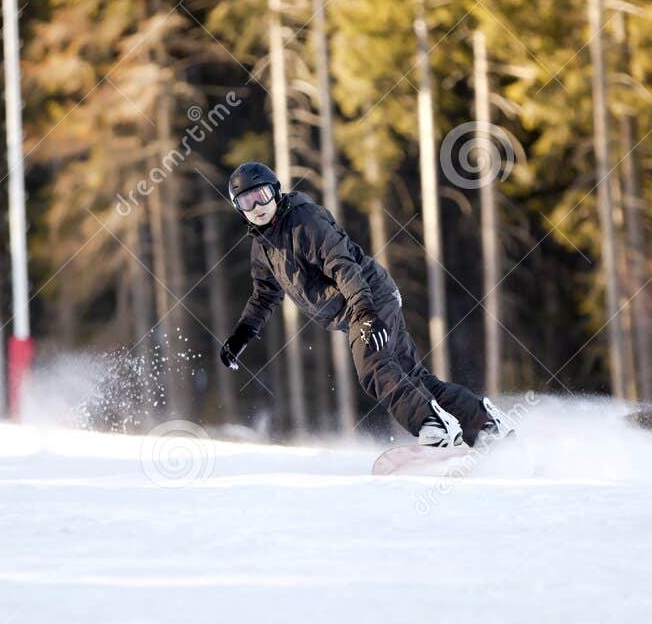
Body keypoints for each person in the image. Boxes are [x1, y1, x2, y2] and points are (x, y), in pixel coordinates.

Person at [216, 162, 512, 449]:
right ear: (238, 209)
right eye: (247, 202)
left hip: (368, 297)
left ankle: (431, 423)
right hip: (361, 307)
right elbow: (265, 295)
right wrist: (241, 334)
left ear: (276, 192)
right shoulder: (263, 248)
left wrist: (366, 311)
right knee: (412, 376)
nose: (257, 207)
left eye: (262, 195)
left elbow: (342, 264)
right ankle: (484, 423)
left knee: (373, 365)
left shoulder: (304, 220)